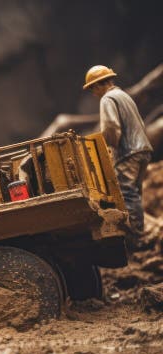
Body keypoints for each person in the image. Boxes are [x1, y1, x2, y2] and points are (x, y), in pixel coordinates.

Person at [84, 65, 153, 249]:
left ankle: (136, 238)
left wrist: (106, 147)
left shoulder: (107, 99)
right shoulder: (123, 95)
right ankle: (140, 232)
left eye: (92, 89)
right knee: (135, 193)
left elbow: (112, 127)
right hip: (142, 149)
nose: (93, 93)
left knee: (126, 192)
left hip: (128, 151)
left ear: (98, 85)